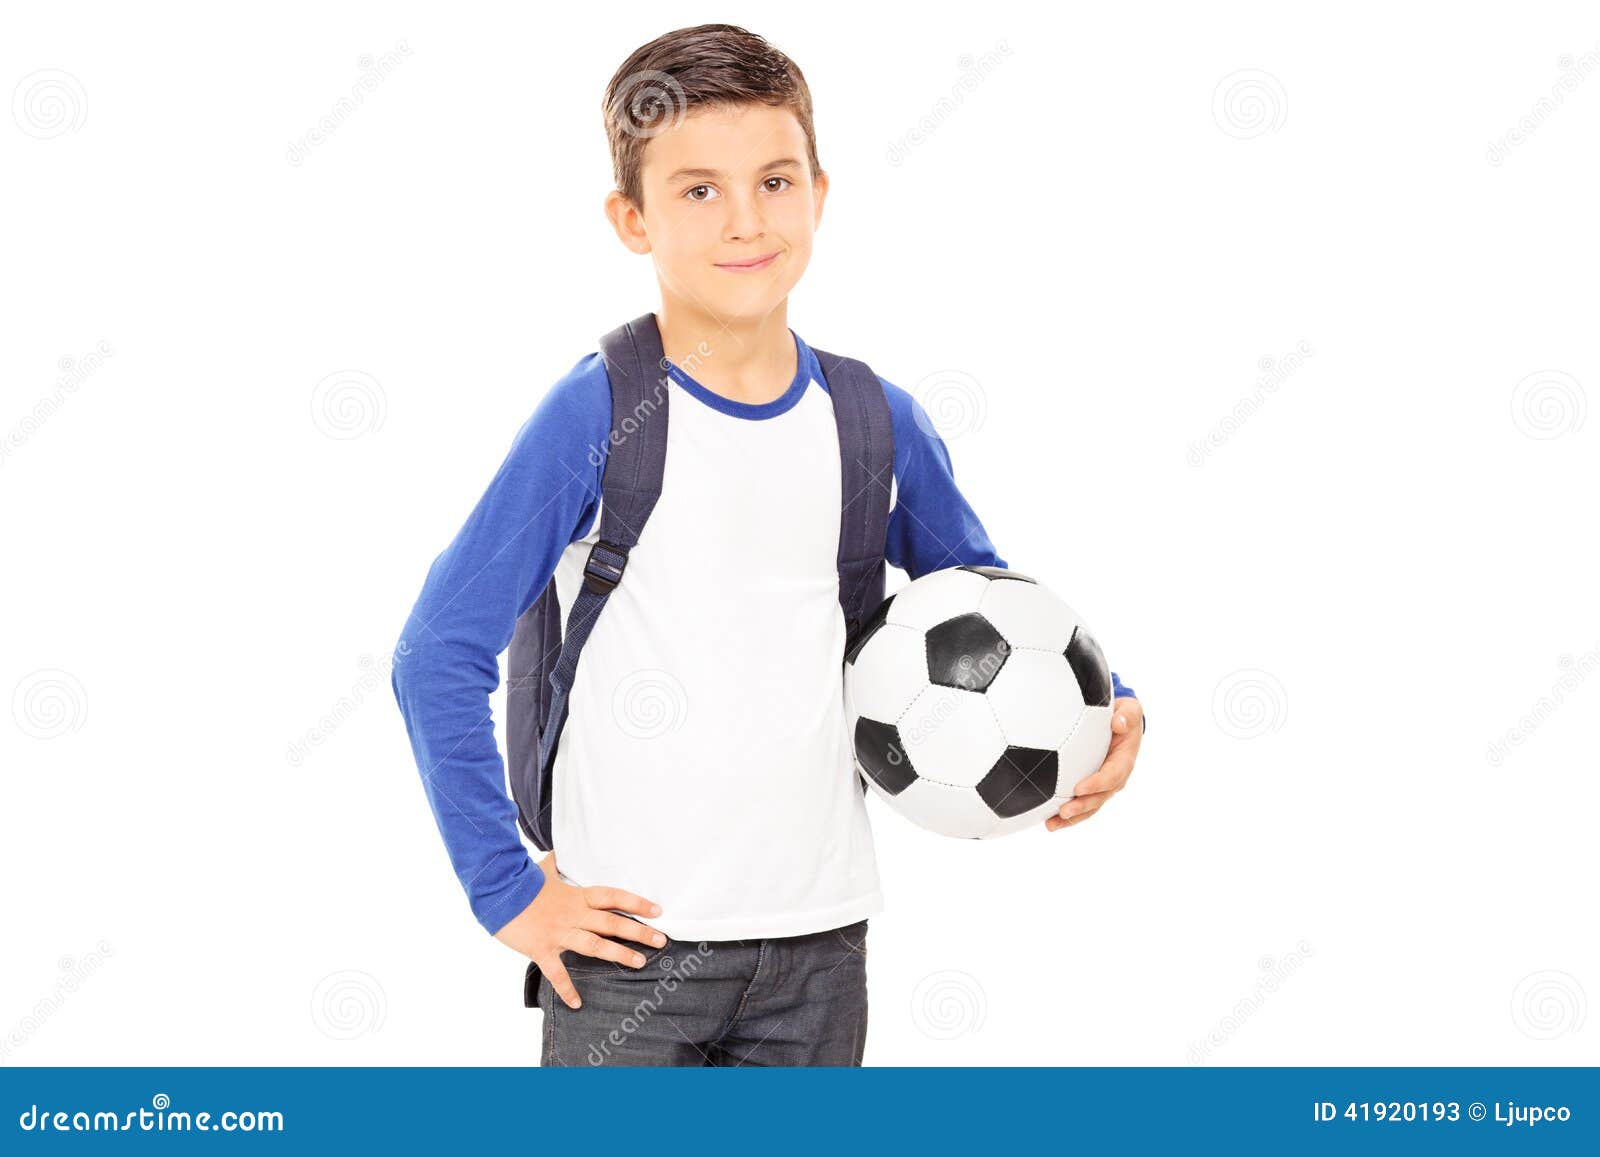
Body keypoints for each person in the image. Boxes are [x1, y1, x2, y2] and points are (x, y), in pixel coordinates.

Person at [390, 23, 1145, 1067]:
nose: (746, 220)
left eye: (775, 180)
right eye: (698, 190)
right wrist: (506, 890)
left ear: (820, 194)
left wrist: (1106, 703)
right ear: (631, 219)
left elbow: (985, 607)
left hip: (821, 947)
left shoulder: (873, 419)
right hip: (628, 948)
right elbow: (436, 653)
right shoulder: (598, 412)